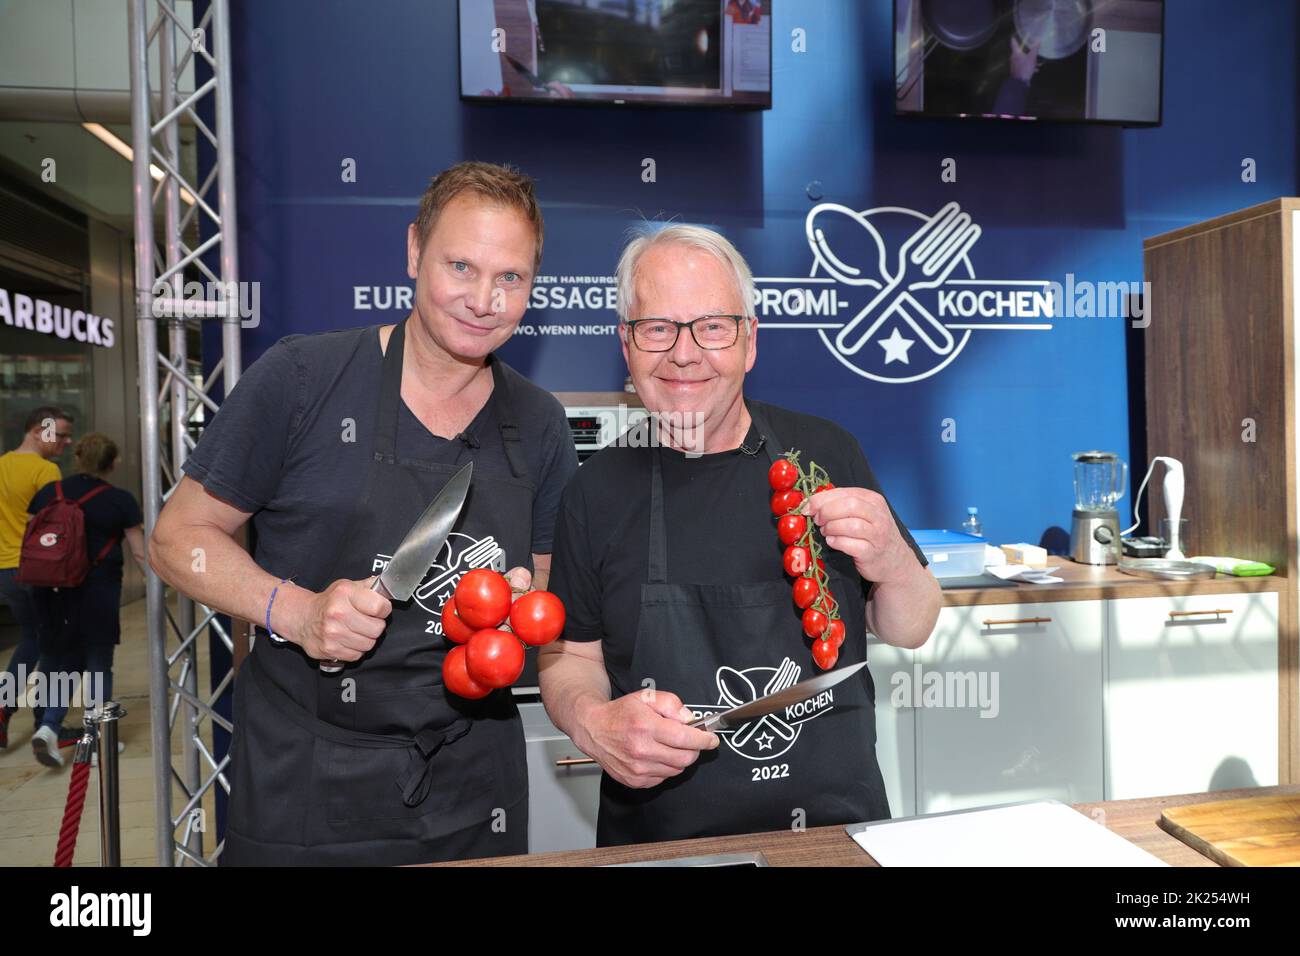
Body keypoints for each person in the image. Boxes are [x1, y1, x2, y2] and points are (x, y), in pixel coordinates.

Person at [149, 161, 578, 865]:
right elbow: (177, 539)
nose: (484, 299)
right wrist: (295, 612)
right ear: (413, 251)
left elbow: (546, 580)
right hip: (307, 777)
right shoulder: (302, 379)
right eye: (461, 267)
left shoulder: (538, 422)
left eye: (511, 277)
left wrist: (518, 608)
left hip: (473, 778)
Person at [540, 224, 942, 846]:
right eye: (658, 328)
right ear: (627, 345)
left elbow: (910, 626)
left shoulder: (826, 454)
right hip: (664, 844)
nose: (684, 354)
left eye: (712, 327)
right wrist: (592, 721)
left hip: (833, 834)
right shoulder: (594, 492)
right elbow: (571, 656)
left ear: (750, 341)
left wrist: (894, 561)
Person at [27, 434, 145, 767]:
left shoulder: (49, 493)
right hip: (98, 591)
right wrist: (159, 583)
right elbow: (139, 552)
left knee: (63, 660)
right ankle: (96, 739)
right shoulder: (120, 500)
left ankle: (49, 726)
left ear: (78, 458)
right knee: (98, 664)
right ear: (113, 463)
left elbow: (34, 538)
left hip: (52, 591)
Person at [0, 406, 73, 750]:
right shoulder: (46, 471)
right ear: (36, 432)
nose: (67, 442)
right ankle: (48, 724)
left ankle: (5, 708)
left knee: (33, 639)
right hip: (37, 570)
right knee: (55, 644)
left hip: (5, 570)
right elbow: (54, 527)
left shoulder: (2, 465)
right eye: (60, 435)